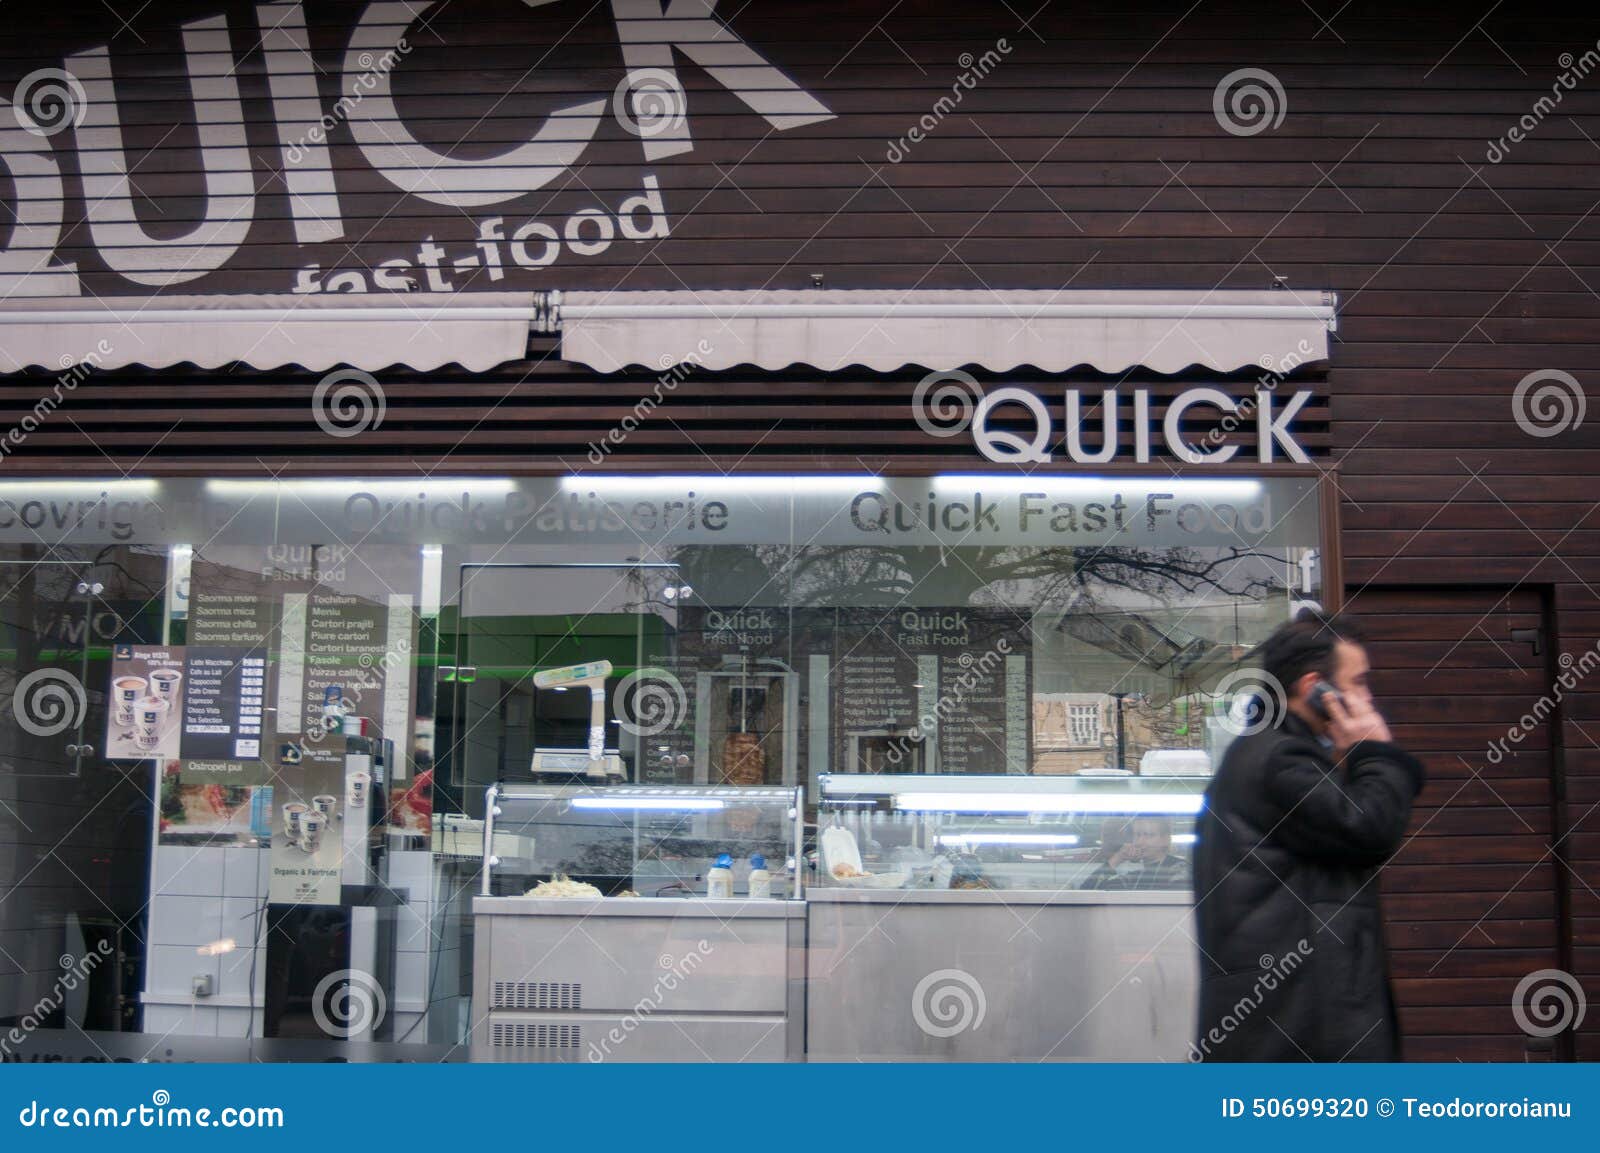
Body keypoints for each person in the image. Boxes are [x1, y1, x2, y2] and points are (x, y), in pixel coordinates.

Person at [1192, 608, 1424, 1061]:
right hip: (1301, 1027)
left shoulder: (1269, 753)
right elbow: (1368, 827)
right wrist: (1375, 753)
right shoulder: (1281, 761)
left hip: (1289, 1021)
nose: (1368, 698)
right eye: (1358, 682)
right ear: (1314, 688)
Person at [1083, 816, 1189, 890]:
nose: (1140, 842)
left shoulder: (1180, 868)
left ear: (1165, 839)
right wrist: (1117, 858)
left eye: (1148, 835)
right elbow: (1087, 890)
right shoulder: (1137, 876)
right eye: (1137, 835)